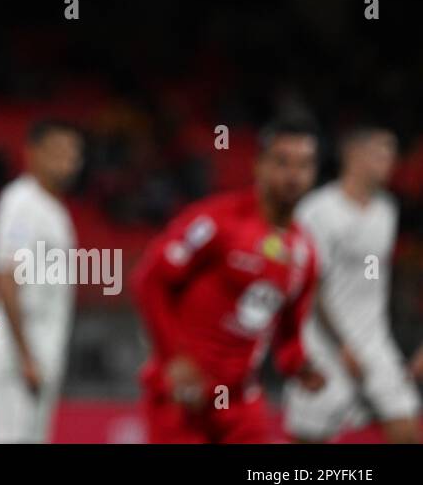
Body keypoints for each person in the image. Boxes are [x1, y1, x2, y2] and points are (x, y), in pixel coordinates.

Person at [133, 116, 326, 443]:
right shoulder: (218, 220)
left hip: (240, 401)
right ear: (259, 166)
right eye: (282, 162)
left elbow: (288, 332)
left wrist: (300, 366)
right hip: (183, 396)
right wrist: (173, 359)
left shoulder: (305, 252)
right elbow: (150, 280)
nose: (293, 176)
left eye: (304, 165)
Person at [284, 125, 421, 443]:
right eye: (379, 153)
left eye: (391, 154)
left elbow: (372, 268)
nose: (389, 161)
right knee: (309, 437)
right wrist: (342, 343)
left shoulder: (386, 210)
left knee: (405, 425)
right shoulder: (318, 210)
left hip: (374, 341)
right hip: (325, 343)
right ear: (353, 157)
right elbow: (310, 284)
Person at [0, 119, 84, 443]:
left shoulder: (55, 210)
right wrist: (24, 355)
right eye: (57, 151)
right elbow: (6, 278)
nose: (66, 162)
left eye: (72, 153)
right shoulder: (21, 202)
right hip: (18, 354)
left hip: (43, 352)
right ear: (32, 153)